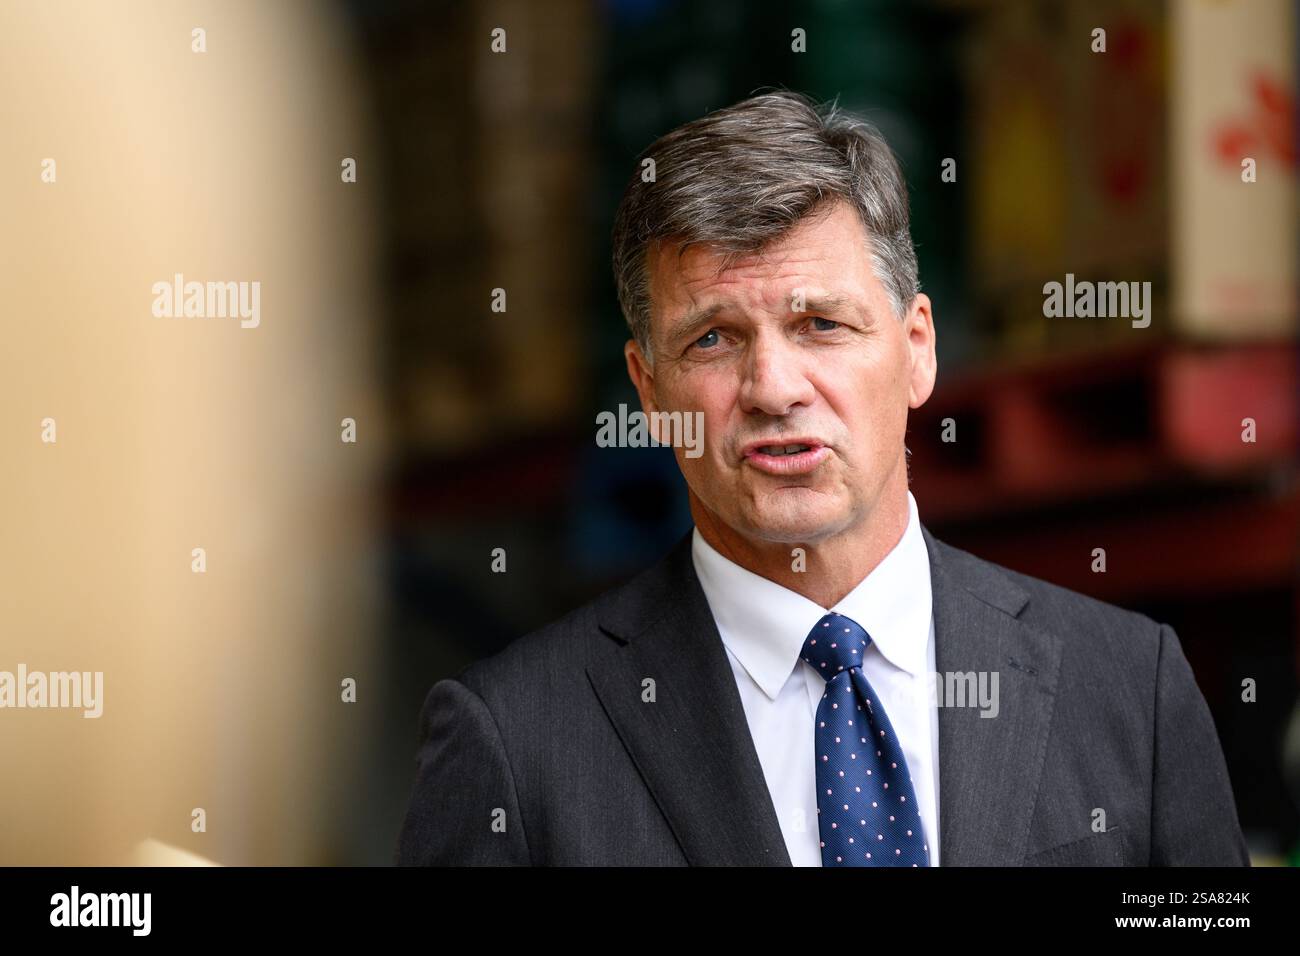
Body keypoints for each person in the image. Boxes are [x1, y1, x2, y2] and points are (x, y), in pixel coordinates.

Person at [396, 91, 1249, 866]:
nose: (773, 388)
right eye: (713, 340)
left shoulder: (1131, 687)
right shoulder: (514, 742)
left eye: (820, 324)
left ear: (917, 350)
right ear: (650, 393)